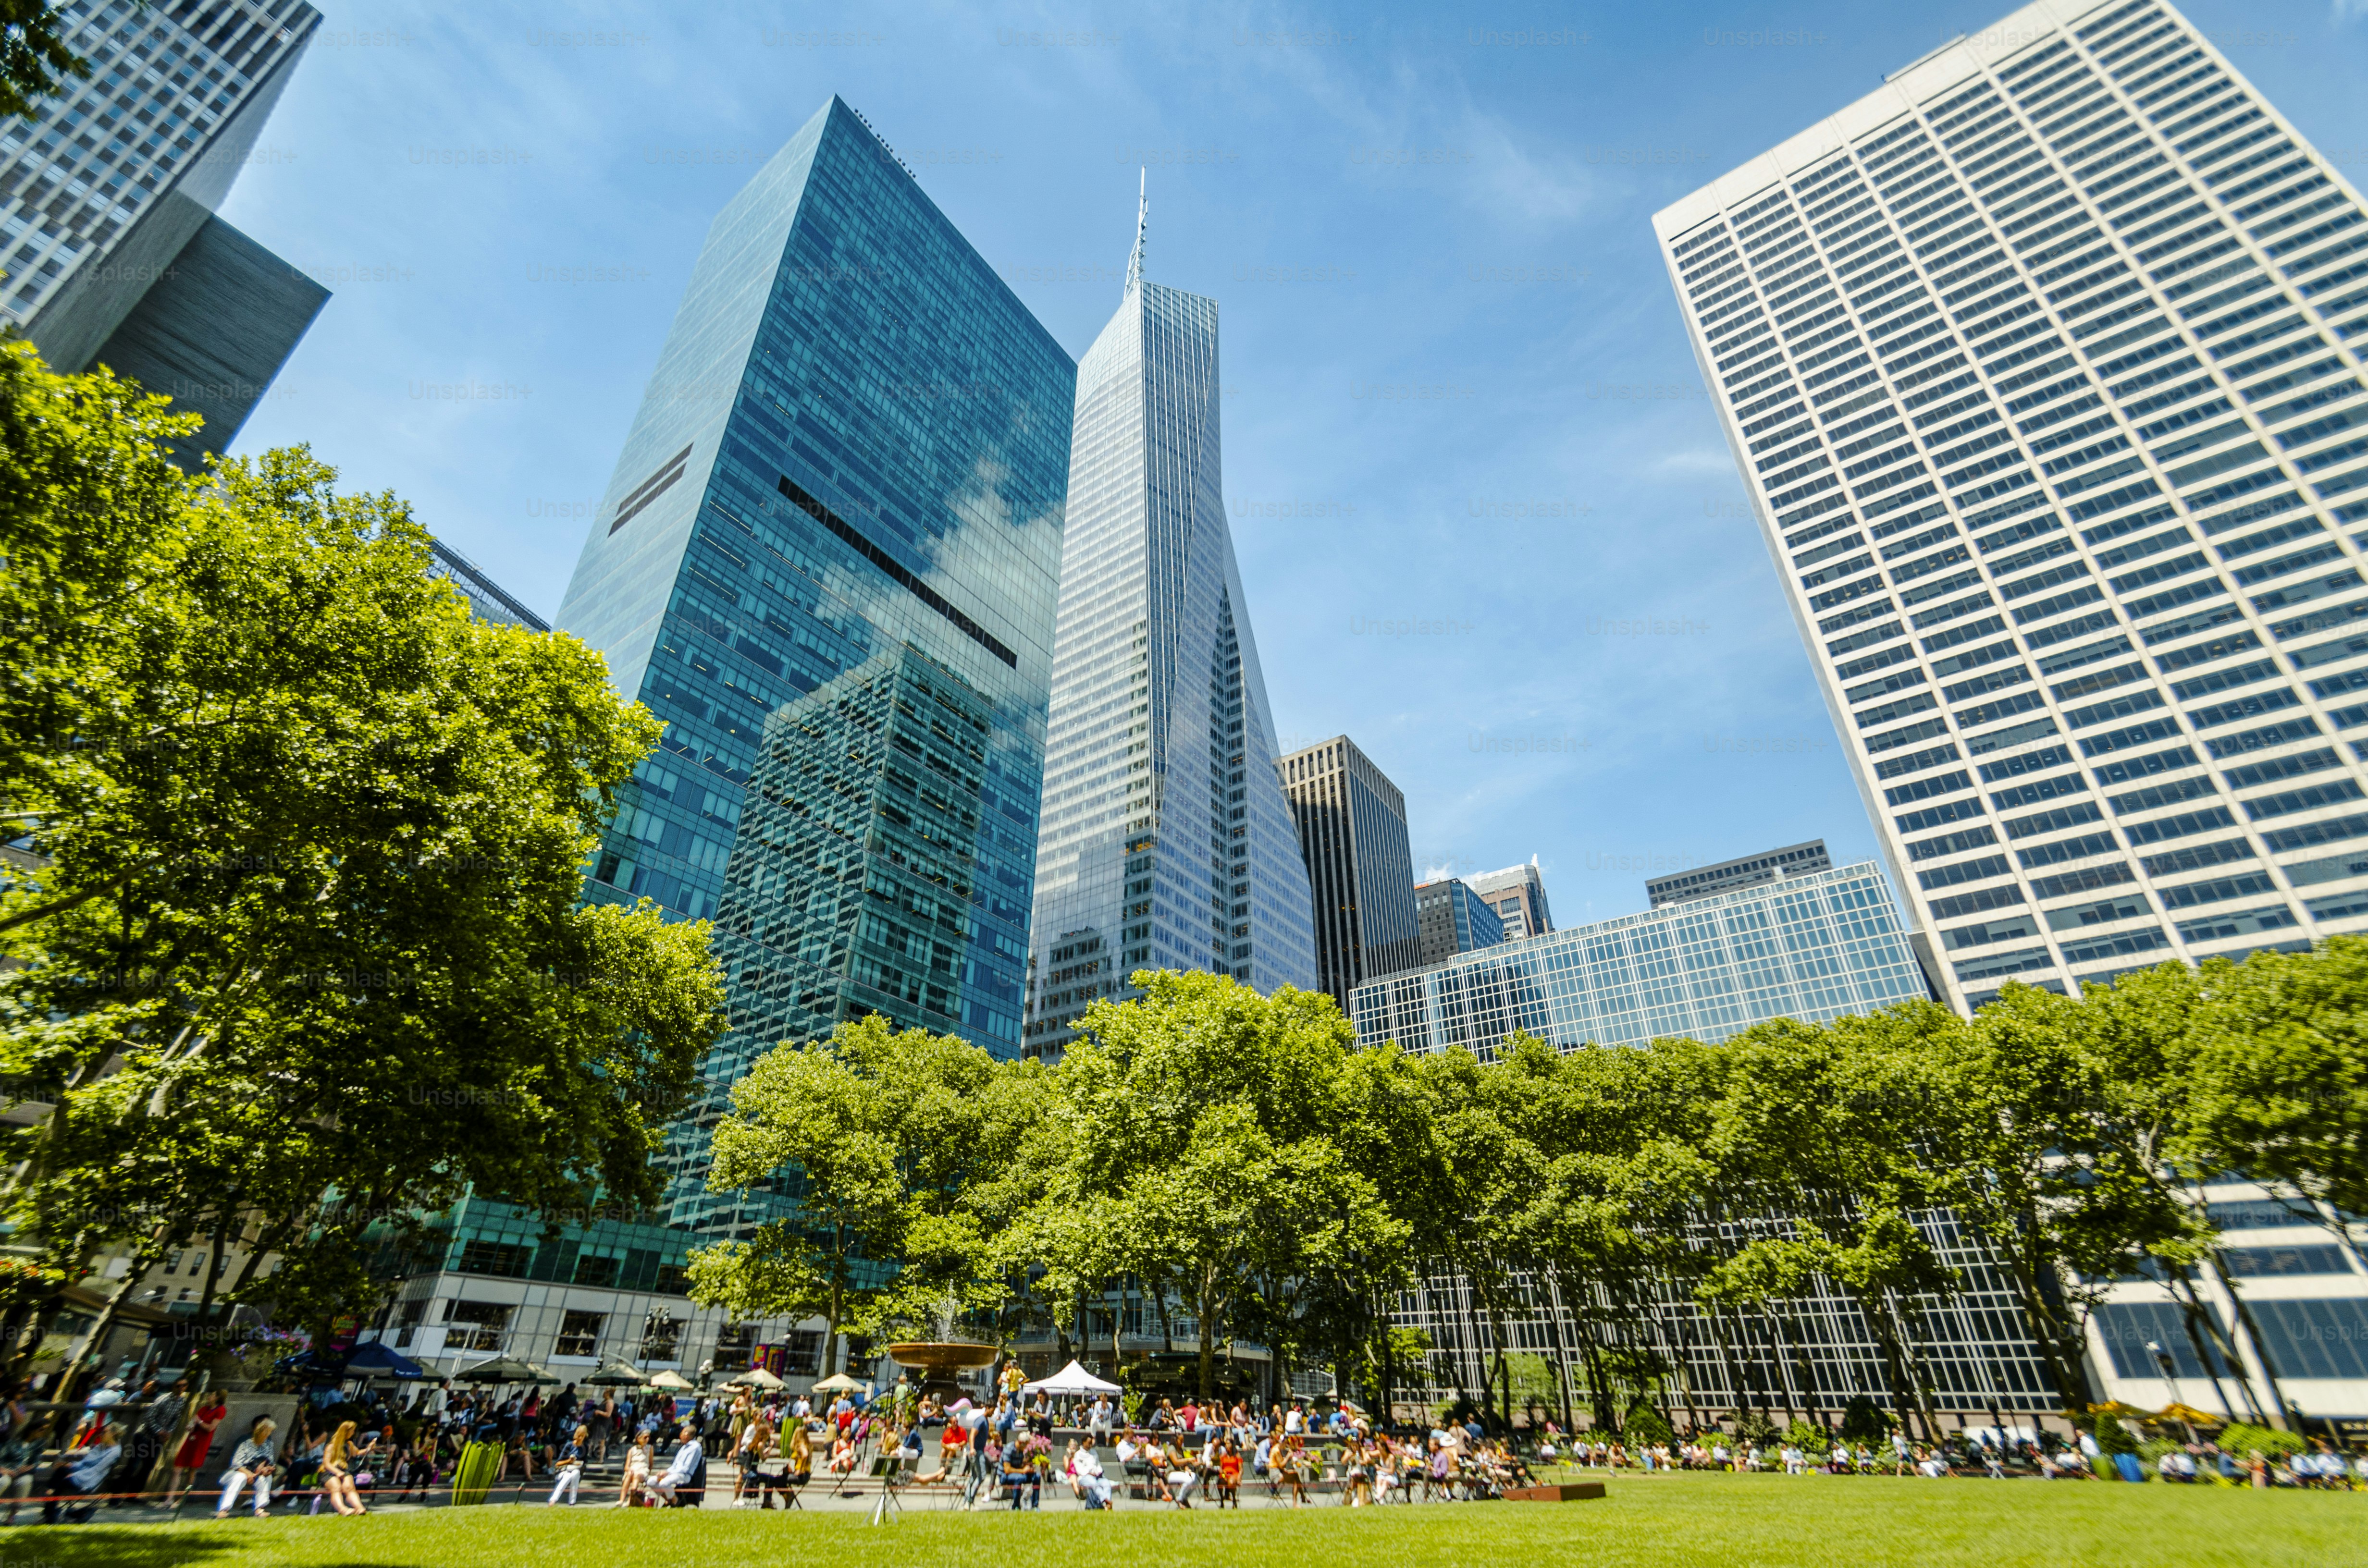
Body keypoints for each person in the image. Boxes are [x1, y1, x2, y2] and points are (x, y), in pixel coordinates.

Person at [42, 1416, 120, 1524]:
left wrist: (75, 1474)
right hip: (82, 1473)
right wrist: (71, 1465)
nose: (102, 1434)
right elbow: (84, 1462)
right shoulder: (100, 1446)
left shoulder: (115, 1452)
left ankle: (49, 1508)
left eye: (105, 1432)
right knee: (62, 1470)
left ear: (113, 1434)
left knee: (61, 1479)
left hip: (89, 1479)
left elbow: (97, 1470)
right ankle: (51, 1509)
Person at [165, 1387, 228, 1508]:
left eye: (212, 1394)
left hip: (201, 1443)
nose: (209, 1396)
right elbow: (193, 1422)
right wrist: (191, 1425)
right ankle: (169, 1499)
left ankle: (182, 1499)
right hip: (191, 1440)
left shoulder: (220, 1410)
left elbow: (210, 1428)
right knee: (177, 1469)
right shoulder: (204, 1408)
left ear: (218, 1397)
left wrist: (199, 1422)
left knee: (192, 1471)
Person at [216, 1417, 278, 1519]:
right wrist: (249, 1475)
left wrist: (267, 1470)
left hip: (256, 1474)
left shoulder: (269, 1445)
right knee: (240, 1477)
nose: (269, 1435)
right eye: (268, 1432)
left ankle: (260, 1509)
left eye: (270, 1432)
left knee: (267, 1478)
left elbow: (270, 1461)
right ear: (261, 1432)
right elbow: (236, 1464)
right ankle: (224, 1510)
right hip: (236, 1473)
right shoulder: (246, 1444)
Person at [0, 1414, 52, 1526]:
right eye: (42, 1430)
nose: (43, 1433)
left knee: (26, 1481)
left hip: (24, 1473)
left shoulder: (39, 1444)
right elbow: (2, 1458)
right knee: (4, 1482)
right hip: (9, 1470)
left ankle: (12, 1515)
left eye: (46, 1430)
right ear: (32, 1430)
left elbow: (37, 1461)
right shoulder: (14, 1442)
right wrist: (4, 1470)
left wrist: (30, 1467)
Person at [647, 1424, 703, 1507]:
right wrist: (666, 1472)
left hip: (684, 1475)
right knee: (651, 1481)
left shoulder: (695, 1447)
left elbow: (685, 1468)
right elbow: (675, 1465)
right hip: (674, 1473)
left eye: (682, 1433)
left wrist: (668, 1473)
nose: (680, 1435)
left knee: (664, 1483)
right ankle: (670, 1499)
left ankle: (675, 1502)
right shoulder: (684, 1447)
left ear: (686, 1434)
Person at [545, 1423, 589, 1506]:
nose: (580, 1438)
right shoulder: (569, 1445)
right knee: (568, 1476)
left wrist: (581, 1465)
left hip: (576, 1470)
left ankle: (572, 1502)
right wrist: (569, 1461)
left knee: (576, 1473)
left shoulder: (585, 1447)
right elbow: (558, 1464)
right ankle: (553, 1499)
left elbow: (585, 1462)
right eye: (579, 1436)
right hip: (563, 1471)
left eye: (582, 1436)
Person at [616, 1431, 654, 1507]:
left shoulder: (650, 1448)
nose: (647, 1439)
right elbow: (627, 1466)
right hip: (633, 1469)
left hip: (643, 1470)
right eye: (645, 1437)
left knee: (637, 1476)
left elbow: (651, 1463)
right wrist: (629, 1470)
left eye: (648, 1437)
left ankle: (630, 1500)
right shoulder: (632, 1450)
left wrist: (648, 1472)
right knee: (630, 1474)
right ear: (639, 1439)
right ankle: (622, 1500)